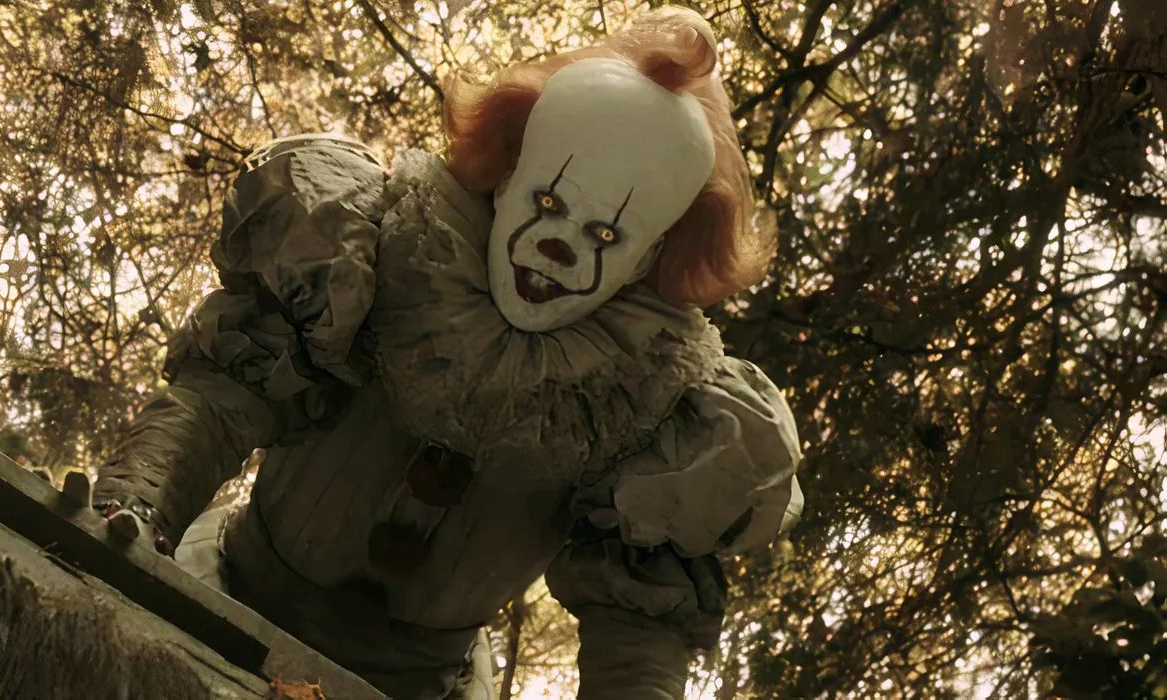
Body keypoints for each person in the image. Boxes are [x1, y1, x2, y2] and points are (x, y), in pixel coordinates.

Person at [71, 7, 803, 698]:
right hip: (222, 604)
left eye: (606, 235)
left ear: (648, 258)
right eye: (549, 203)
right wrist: (130, 513)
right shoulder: (375, 255)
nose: (558, 246)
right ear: (510, 172)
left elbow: (636, 618)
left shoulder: (646, 403)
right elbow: (222, 400)